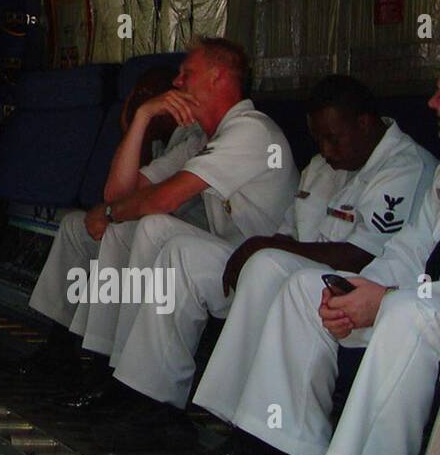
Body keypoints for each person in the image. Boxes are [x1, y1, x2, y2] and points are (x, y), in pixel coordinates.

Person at [206, 45, 440, 455]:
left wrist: (389, 297)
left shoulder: (418, 166)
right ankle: (288, 450)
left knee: (409, 314)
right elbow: (409, 250)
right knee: (308, 289)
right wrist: (362, 291)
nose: (430, 103)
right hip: (435, 306)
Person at [108, 75, 435, 452]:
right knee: (184, 253)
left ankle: (243, 431)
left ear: (364, 123)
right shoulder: (322, 166)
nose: (325, 149)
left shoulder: (402, 167)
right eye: (319, 139)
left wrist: (263, 248)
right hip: (285, 268)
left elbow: (362, 256)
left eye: (334, 138)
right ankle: (149, 397)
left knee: (266, 264)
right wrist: (264, 248)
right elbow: (287, 233)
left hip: (356, 287)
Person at [52, 38, 297, 413]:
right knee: (128, 228)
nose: (177, 83)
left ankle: (147, 393)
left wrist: (112, 212)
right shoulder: (201, 138)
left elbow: (162, 200)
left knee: (150, 226)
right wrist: (143, 116)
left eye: (187, 74)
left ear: (217, 78)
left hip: (261, 269)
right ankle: (107, 365)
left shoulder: (252, 131)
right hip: (224, 259)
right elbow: (119, 192)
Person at [25, 64, 203, 387]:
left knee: (118, 234)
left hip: (184, 244)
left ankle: (105, 366)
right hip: (151, 233)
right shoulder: (164, 135)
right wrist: (135, 126)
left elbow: (122, 197)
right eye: (138, 97)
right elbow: (120, 193)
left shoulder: (192, 139)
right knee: (75, 227)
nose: (140, 104)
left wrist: (108, 212)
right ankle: (59, 344)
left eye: (152, 97)